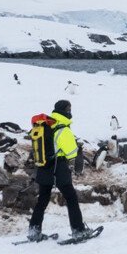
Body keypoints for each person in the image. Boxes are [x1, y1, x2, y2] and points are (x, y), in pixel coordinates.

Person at [28, 100, 90, 241]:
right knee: (71, 198)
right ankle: (79, 230)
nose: (70, 111)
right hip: (58, 168)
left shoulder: (47, 125)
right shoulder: (63, 129)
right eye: (69, 109)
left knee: (42, 199)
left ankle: (34, 230)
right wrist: (76, 146)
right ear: (65, 111)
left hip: (43, 166)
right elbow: (71, 153)